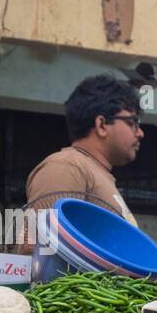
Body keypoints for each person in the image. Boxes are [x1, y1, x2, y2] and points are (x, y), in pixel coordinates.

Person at [25, 75, 145, 229]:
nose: (140, 133)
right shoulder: (67, 167)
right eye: (132, 123)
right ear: (101, 125)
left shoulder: (92, 173)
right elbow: (39, 244)